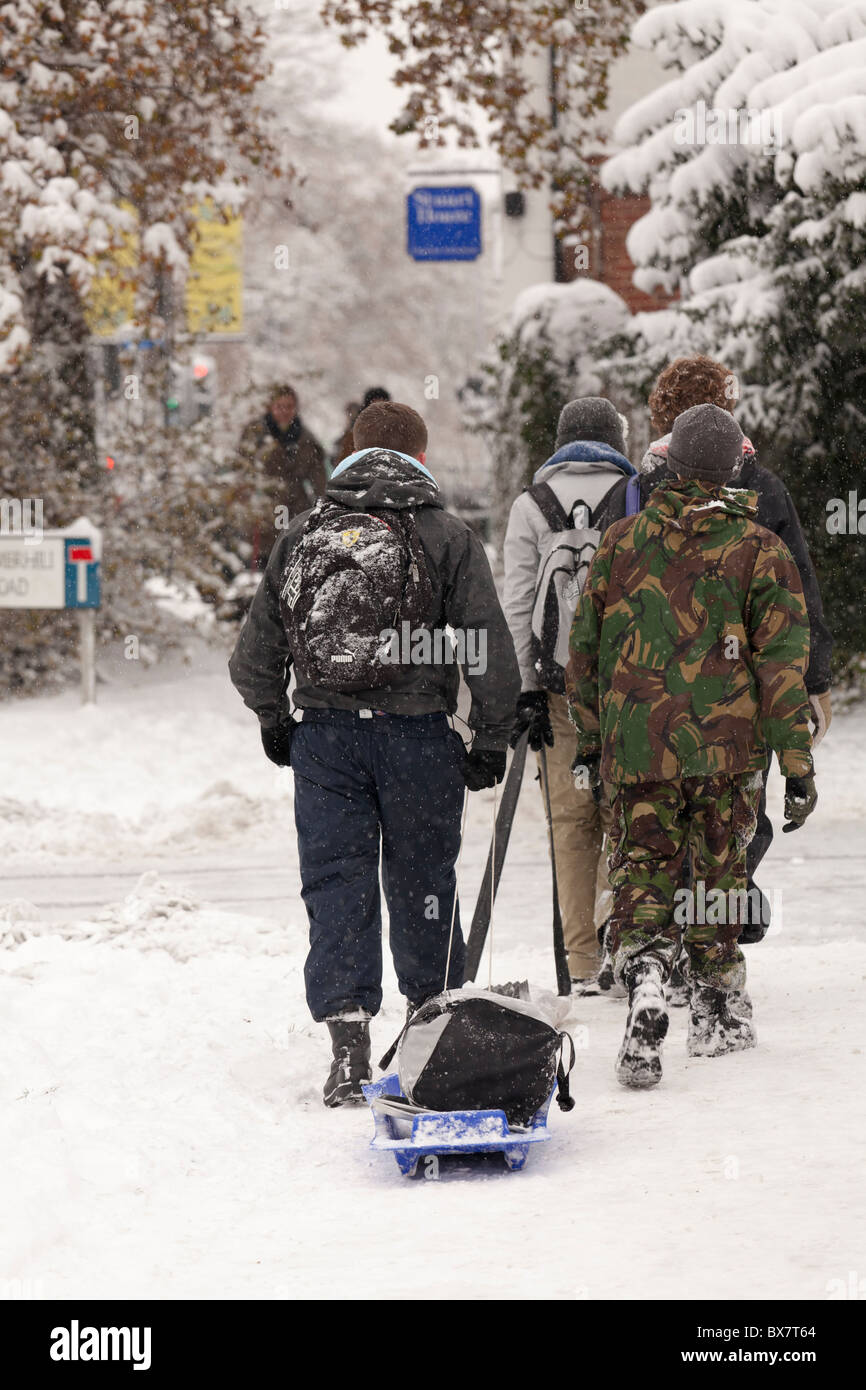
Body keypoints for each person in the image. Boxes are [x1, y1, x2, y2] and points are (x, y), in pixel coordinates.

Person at [228, 400, 520, 1107]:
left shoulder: (303, 535)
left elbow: (253, 653)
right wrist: (489, 737)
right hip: (418, 737)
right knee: (422, 879)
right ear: (420, 455)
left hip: (326, 739)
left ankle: (349, 1047)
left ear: (353, 451)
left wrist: (275, 718)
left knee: (336, 882)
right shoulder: (447, 535)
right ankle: (431, 1031)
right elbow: (488, 649)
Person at [566, 404, 815, 1090]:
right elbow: (782, 670)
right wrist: (796, 765)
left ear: (669, 466)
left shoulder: (619, 541)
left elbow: (582, 652)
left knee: (641, 871)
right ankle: (719, 1010)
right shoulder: (761, 550)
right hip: (727, 754)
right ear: (736, 467)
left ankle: (646, 976)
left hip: (637, 746)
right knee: (719, 876)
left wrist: (591, 743)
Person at [593, 355, 832, 937]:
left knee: (655, 826)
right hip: (737, 696)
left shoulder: (635, 492)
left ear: (661, 413)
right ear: (726, 411)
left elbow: (595, 610)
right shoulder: (761, 486)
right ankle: (718, 927)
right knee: (734, 819)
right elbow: (797, 591)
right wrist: (813, 682)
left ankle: (665, 939)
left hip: (647, 692)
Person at [503, 397, 636, 992]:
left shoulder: (531, 506)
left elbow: (516, 606)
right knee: (625, 816)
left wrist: (526, 688)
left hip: (558, 691)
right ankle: (622, 941)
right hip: (628, 688)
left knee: (570, 822)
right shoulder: (638, 498)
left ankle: (580, 966)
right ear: (615, 439)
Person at [237, 384, 328, 564]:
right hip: (262, 507)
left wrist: (322, 506)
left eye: (289, 406)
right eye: (279, 406)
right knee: (262, 559)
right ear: (270, 407)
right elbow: (241, 468)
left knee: (291, 554)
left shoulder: (307, 439)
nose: (284, 411)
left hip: (296, 505)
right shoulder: (254, 434)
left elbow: (319, 477)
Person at [332, 388, 391, 468]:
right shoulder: (357, 429)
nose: (379, 408)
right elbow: (344, 458)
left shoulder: (394, 428)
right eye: (374, 404)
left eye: (382, 404)